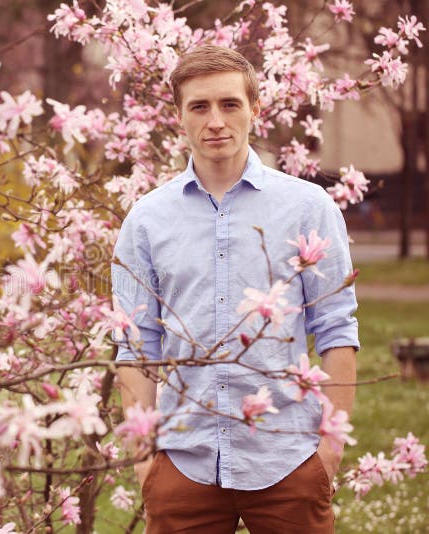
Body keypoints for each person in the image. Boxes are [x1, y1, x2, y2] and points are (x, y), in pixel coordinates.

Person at [111, 45, 359, 533]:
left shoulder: (308, 208)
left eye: (229, 104)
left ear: (255, 109)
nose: (216, 121)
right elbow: (136, 346)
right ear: (179, 117)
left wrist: (329, 448)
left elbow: (336, 330)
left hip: (288, 458)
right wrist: (145, 461)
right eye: (199, 107)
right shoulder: (146, 220)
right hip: (184, 463)